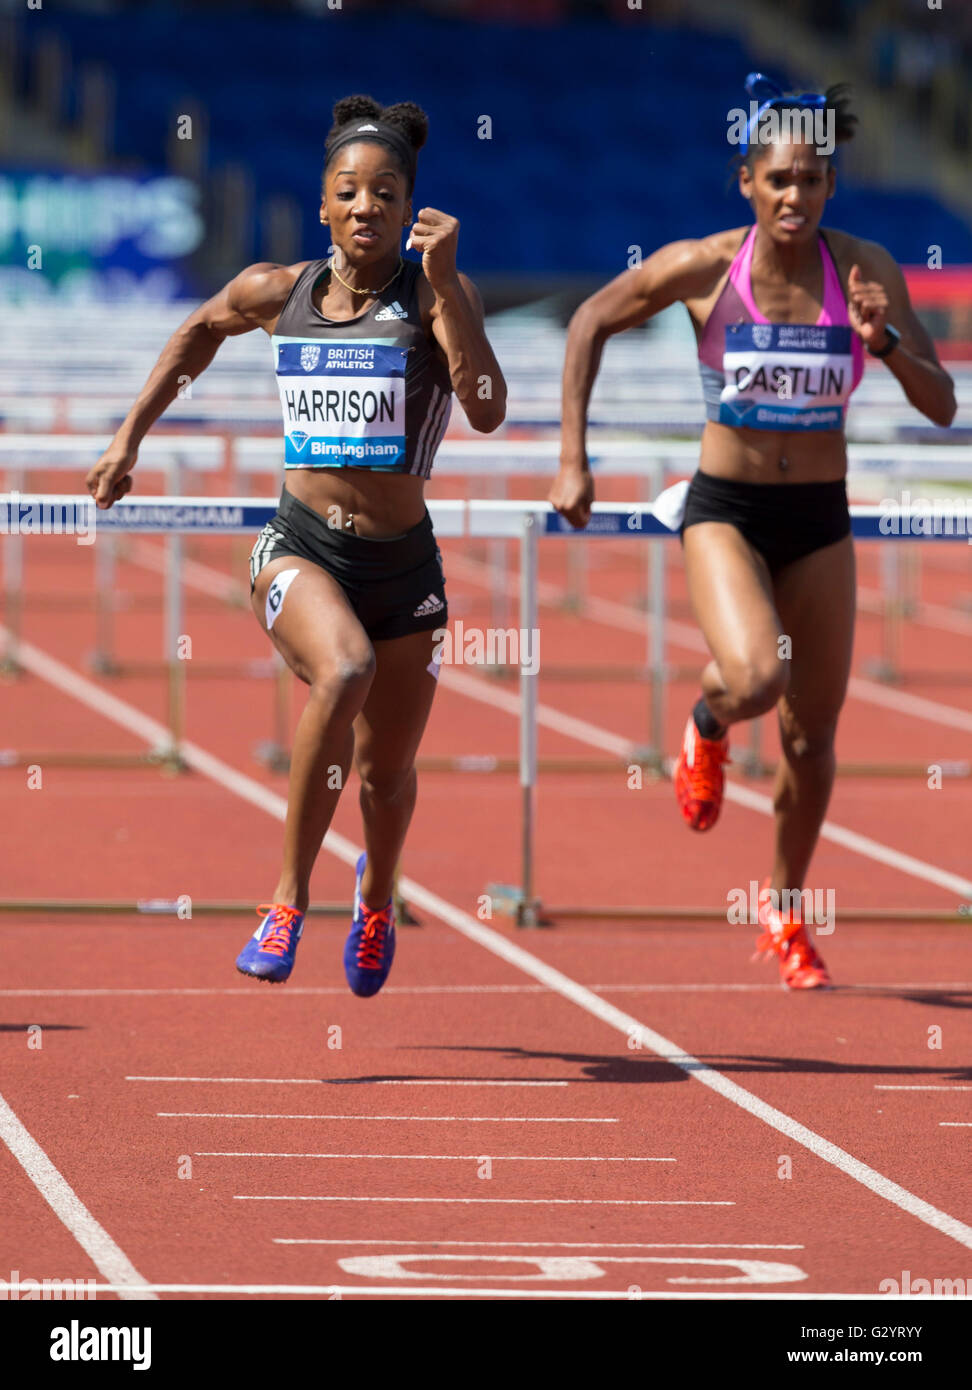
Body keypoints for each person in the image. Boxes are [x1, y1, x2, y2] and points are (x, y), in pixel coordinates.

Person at [86, 95, 506, 996]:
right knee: (343, 669)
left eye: (386, 193)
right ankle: (286, 898)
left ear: (409, 208)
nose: (367, 207)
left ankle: (379, 893)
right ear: (323, 204)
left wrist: (450, 290)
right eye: (349, 192)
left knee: (387, 778)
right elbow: (198, 332)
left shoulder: (438, 297)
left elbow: (486, 409)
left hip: (404, 571)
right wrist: (129, 439)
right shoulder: (279, 292)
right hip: (299, 546)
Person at [550, 74, 955, 989]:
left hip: (820, 521)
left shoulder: (867, 271)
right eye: (778, 180)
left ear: (830, 188)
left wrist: (884, 343)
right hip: (727, 511)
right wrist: (574, 458)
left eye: (811, 181)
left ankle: (782, 910)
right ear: (746, 181)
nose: (794, 198)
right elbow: (589, 322)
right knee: (757, 679)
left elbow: (942, 405)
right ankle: (707, 719)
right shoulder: (704, 268)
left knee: (814, 737)